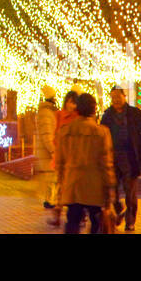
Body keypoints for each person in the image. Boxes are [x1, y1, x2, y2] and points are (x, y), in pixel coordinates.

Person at [53, 93, 114, 234]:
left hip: (72, 185)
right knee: (96, 221)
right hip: (95, 186)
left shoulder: (65, 132)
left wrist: (60, 189)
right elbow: (106, 164)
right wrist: (110, 186)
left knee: (72, 221)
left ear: (77, 109)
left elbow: (60, 163)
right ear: (93, 110)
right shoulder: (102, 133)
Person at [99, 86, 141, 231]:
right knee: (113, 190)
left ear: (124, 96)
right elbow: (100, 134)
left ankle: (130, 221)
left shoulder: (135, 113)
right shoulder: (107, 115)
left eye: (118, 96)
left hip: (130, 157)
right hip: (112, 157)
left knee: (130, 192)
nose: (116, 100)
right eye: (113, 97)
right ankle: (118, 209)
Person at [50, 90, 80, 228]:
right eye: (69, 101)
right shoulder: (59, 115)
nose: (71, 105)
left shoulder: (78, 117)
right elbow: (55, 134)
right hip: (62, 156)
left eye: (74, 102)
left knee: (74, 188)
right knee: (60, 186)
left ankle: (76, 214)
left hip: (75, 158)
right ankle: (57, 213)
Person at [33, 87, 59, 221]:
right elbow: (47, 134)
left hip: (46, 151)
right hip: (47, 152)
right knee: (51, 177)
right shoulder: (46, 113)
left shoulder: (47, 112)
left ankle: (50, 199)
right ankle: (49, 200)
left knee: (51, 178)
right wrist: (53, 149)